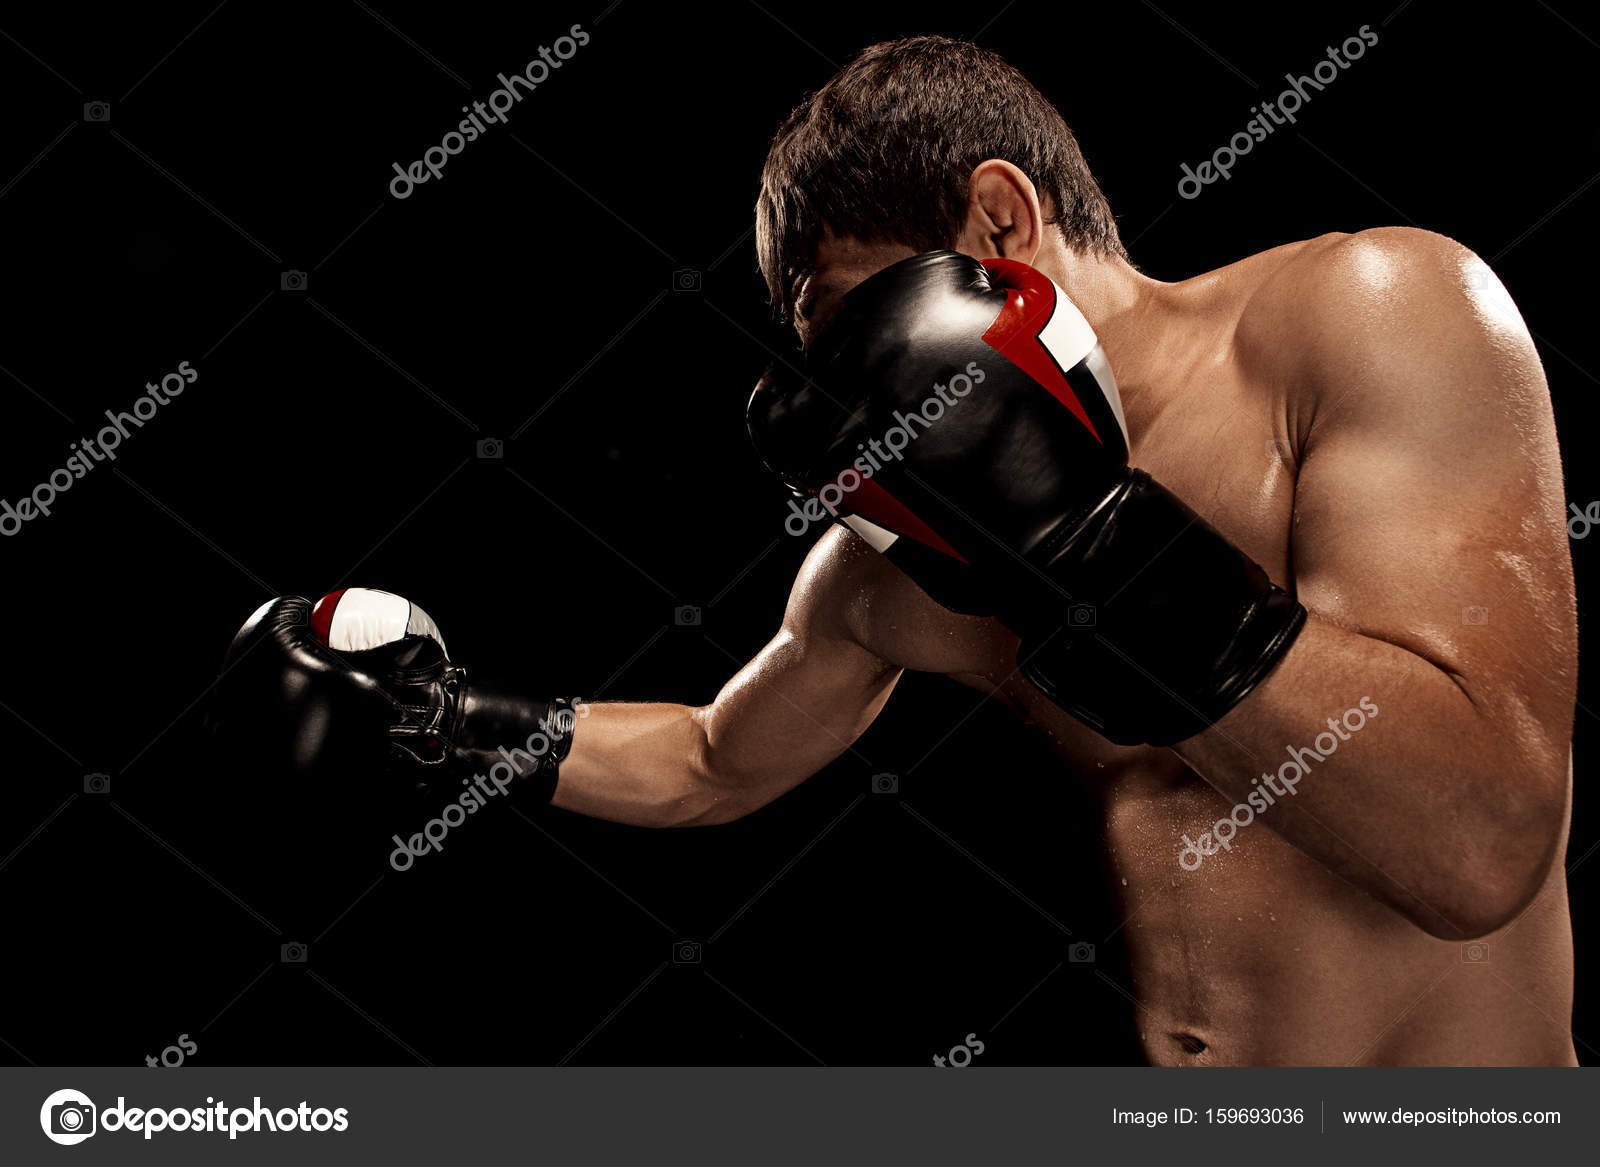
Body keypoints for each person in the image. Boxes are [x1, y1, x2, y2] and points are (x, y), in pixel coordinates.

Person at [219, 36, 1577, 1065]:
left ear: (1000, 225)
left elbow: (1479, 849)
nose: (869, 404)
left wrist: (1087, 547)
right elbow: (710, 760)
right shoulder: (903, 564)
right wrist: (457, 719)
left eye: (867, 331)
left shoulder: (1362, 315)